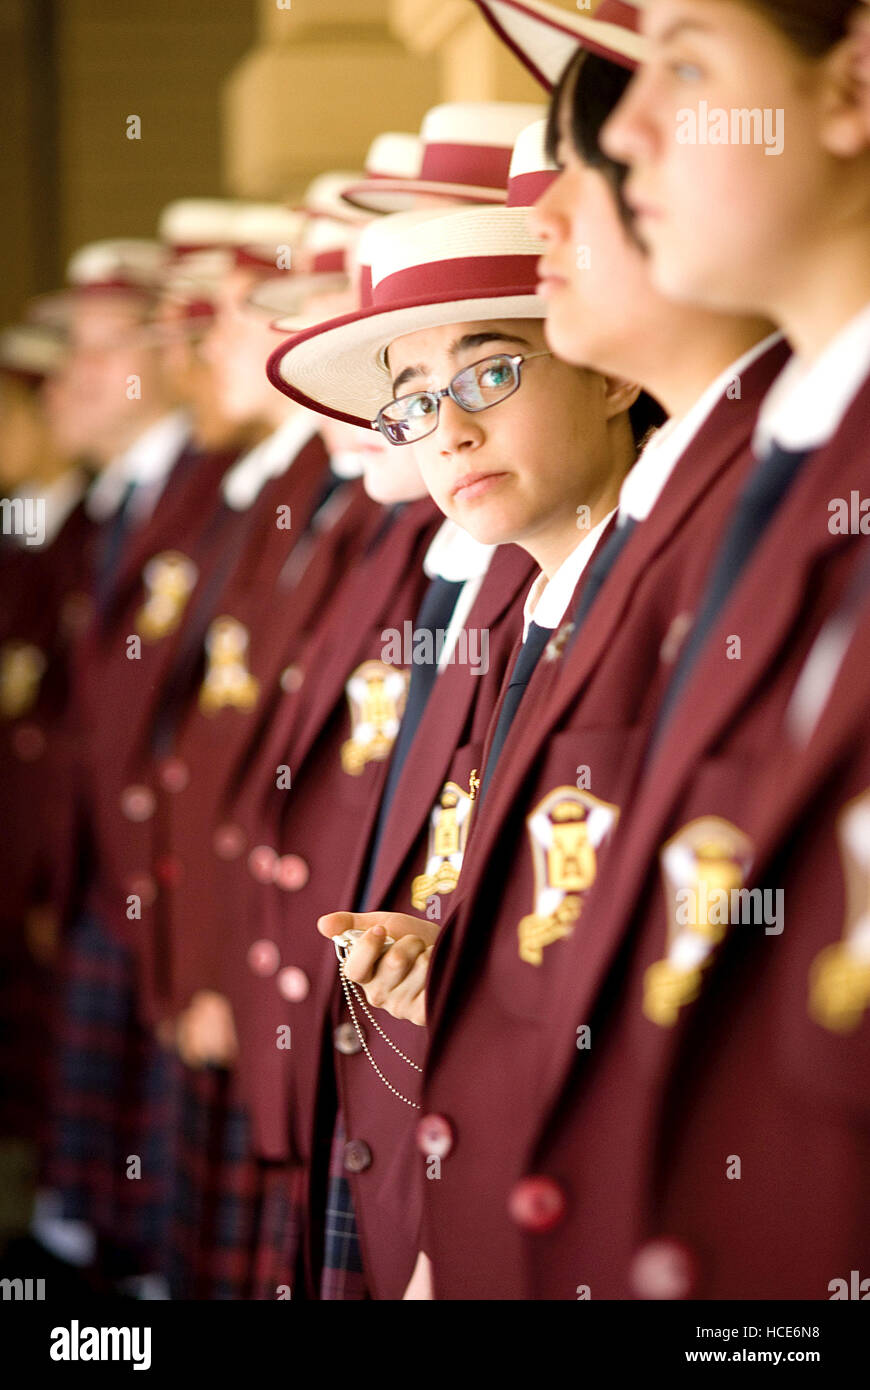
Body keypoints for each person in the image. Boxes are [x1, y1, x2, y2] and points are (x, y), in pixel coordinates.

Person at [312, 0, 800, 1299]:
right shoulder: (514, 584)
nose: (445, 432)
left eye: (483, 377)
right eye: (413, 404)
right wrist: (448, 955)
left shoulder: (722, 513)